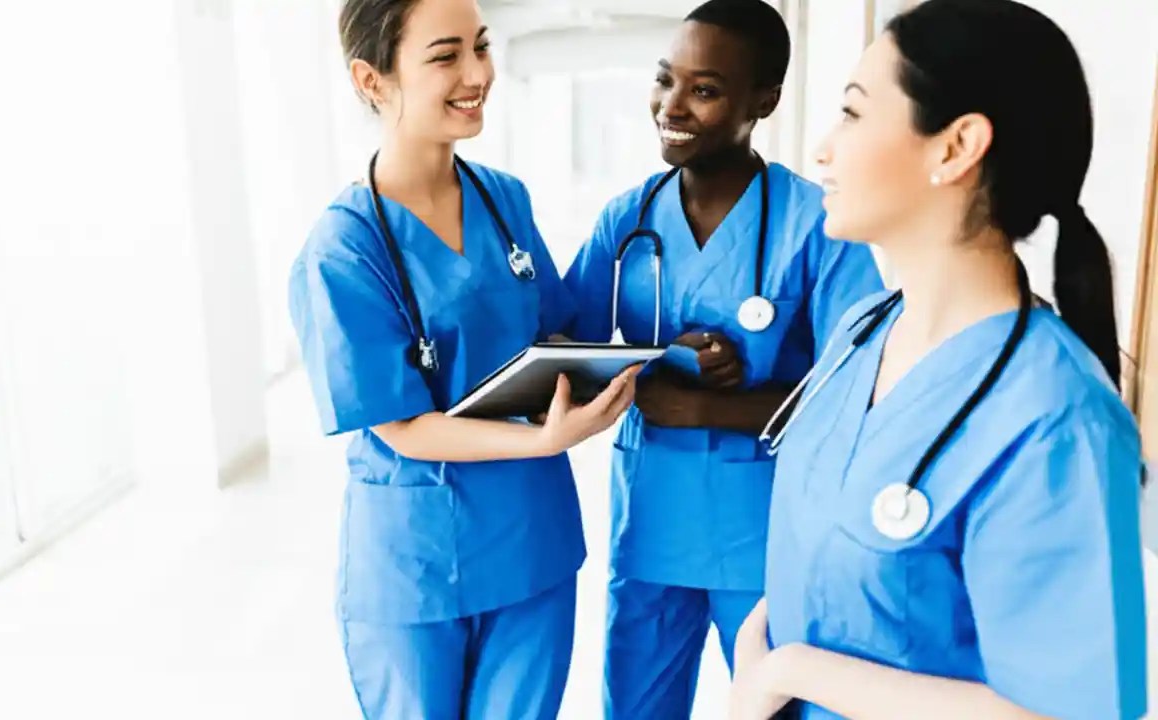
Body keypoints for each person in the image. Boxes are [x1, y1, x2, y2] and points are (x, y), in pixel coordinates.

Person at [732, 1, 1148, 718]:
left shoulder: (1057, 422)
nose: (822, 150)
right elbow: (831, 535)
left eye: (854, 114)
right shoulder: (863, 331)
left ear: (955, 148)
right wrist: (758, 649)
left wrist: (793, 671)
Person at [287, 0, 639, 717]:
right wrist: (544, 438)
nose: (478, 73)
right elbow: (401, 426)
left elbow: (554, 333)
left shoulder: (504, 201)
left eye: (482, 47)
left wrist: (603, 370)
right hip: (414, 566)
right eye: (446, 56)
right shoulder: (344, 249)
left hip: (531, 545)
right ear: (372, 79)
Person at [561, 1, 884, 716]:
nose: (671, 106)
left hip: (766, 531)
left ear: (761, 101)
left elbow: (859, 391)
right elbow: (566, 351)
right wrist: (657, 363)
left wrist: (708, 407)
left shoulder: (816, 224)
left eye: (704, 90)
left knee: (780, 704)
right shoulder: (629, 218)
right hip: (650, 523)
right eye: (665, 80)